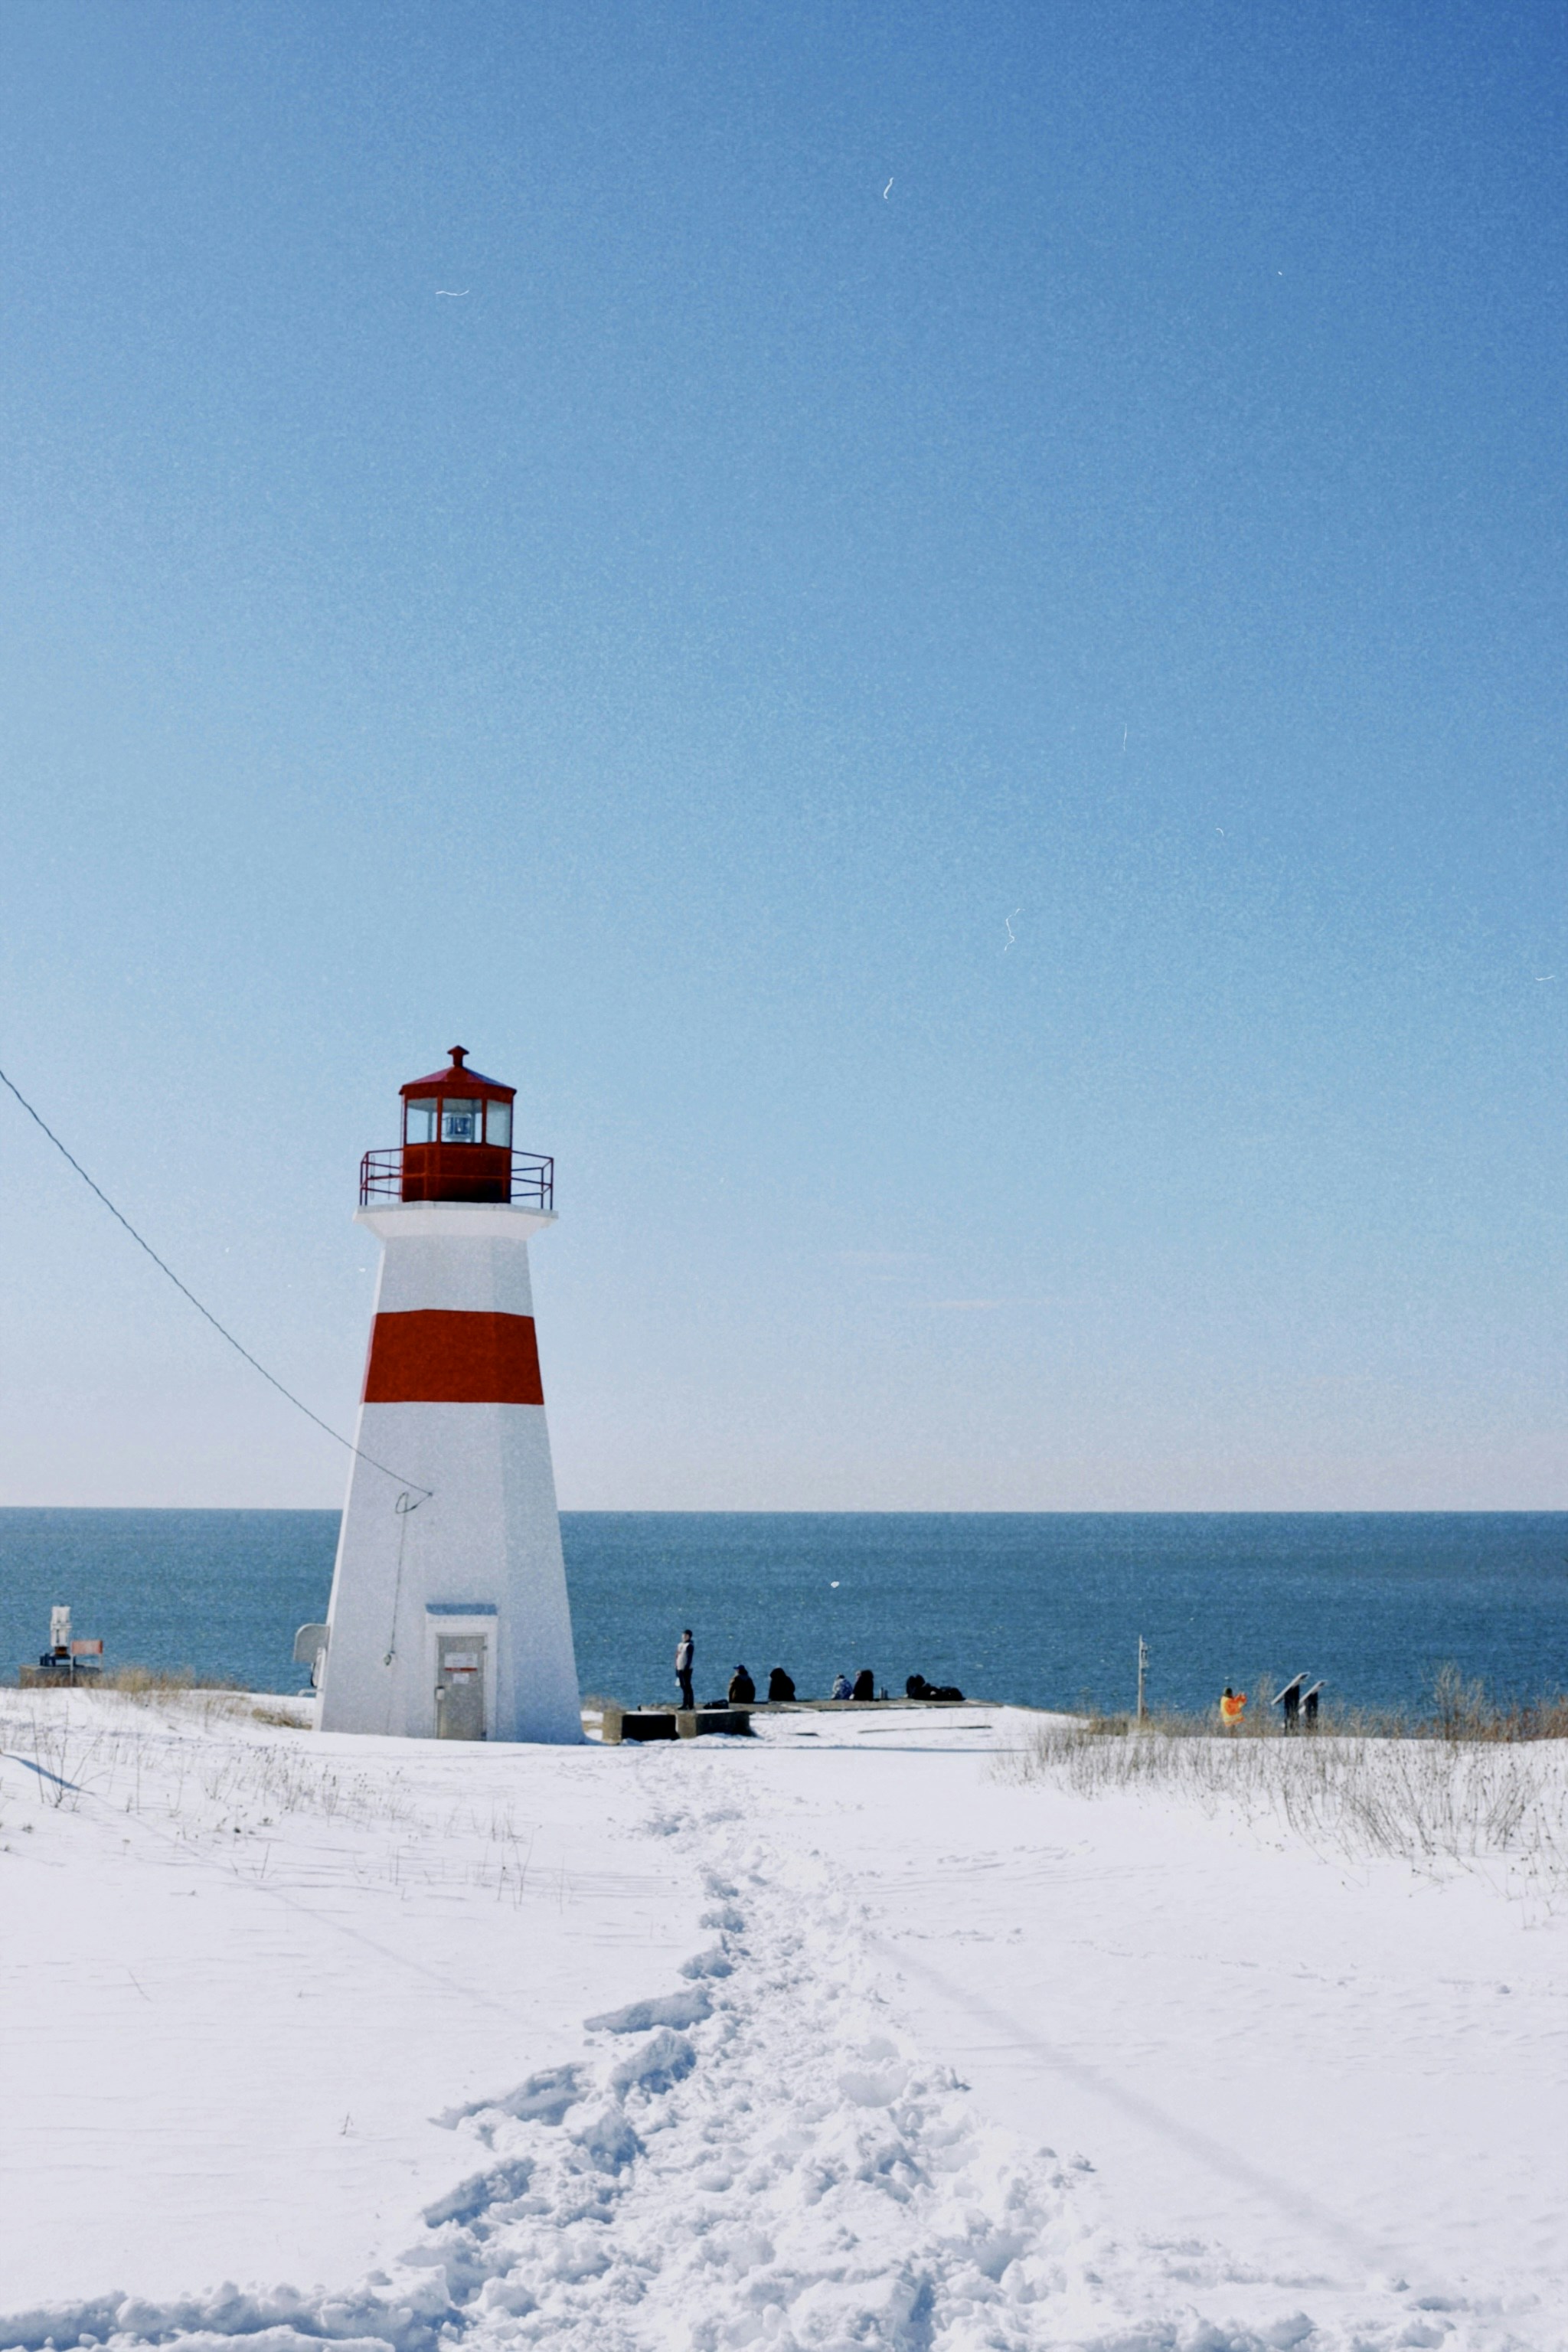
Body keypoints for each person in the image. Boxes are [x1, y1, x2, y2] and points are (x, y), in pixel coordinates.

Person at [675, 1628, 694, 1711]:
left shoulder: (689, 1645)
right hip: (679, 1668)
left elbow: (689, 1658)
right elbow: (677, 1656)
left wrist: (686, 1667)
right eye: (683, 1635)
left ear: (689, 1637)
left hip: (687, 1669)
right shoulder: (680, 1645)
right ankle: (685, 1703)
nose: (684, 1637)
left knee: (687, 1686)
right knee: (683, 1686)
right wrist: (676, 1668)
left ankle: (689, 1704)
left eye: (686, 1636)